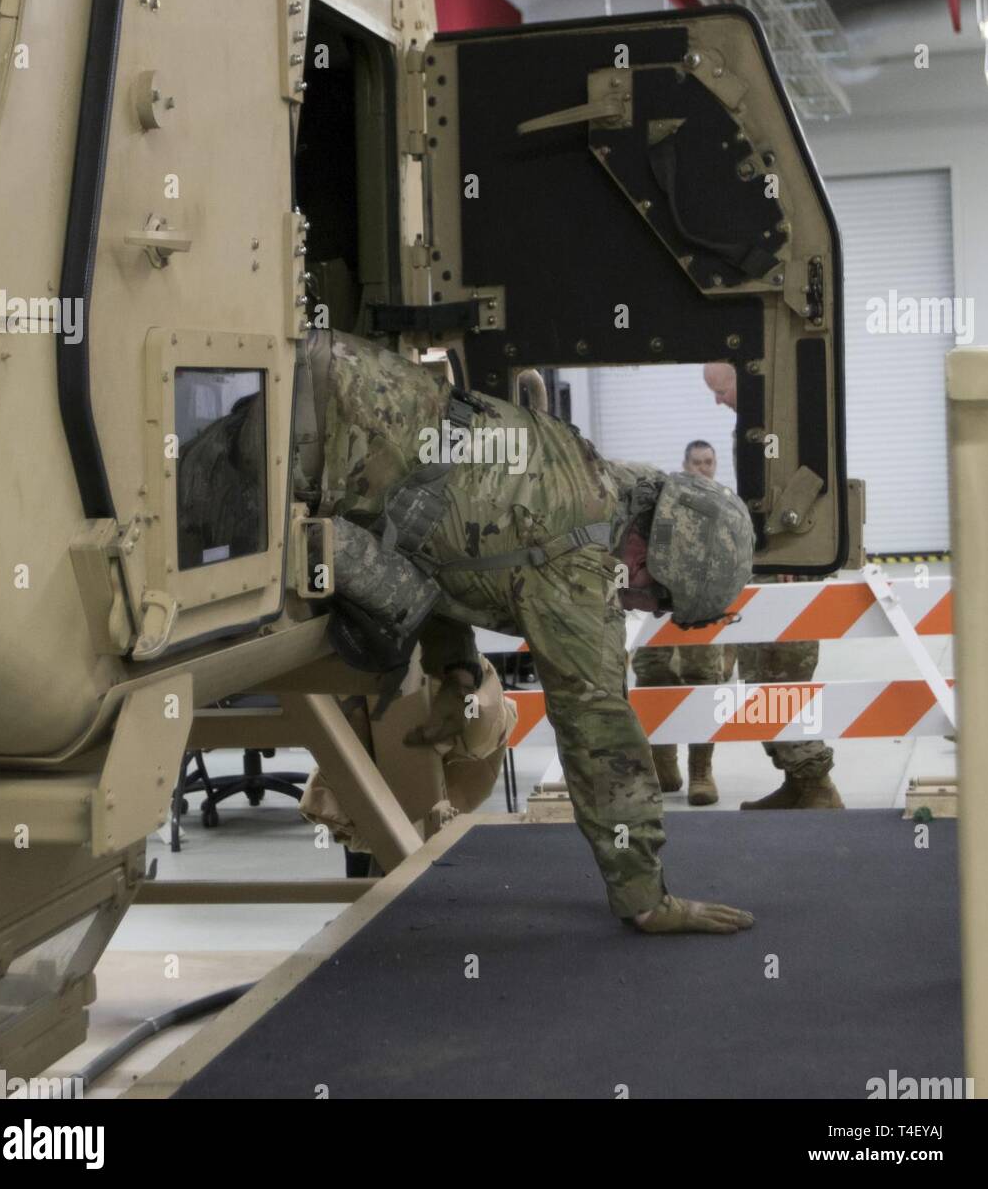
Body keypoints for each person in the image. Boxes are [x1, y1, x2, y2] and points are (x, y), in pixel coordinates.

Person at [293, 330, 758, 934]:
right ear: (649, 557)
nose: (642, 605)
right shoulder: (583, 565)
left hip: (313, 375)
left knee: (399, 598)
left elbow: (450, 547)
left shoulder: (589, 472)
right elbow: (599, 732)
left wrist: (458, 671)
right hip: (303, 443)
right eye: (658, 597)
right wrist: (645, 896)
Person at [702, 362, 843, 809]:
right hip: (766, 564)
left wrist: (788, 548)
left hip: (785, 566)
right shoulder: (754, 424)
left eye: (720, 389)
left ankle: (816, 786)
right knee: (760, 677)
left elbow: (815, 474)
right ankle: (798, 783)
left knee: (779, 677)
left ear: (743, 377)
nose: (717, 400)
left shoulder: (784, 416)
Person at [631, 440, 733, 806]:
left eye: (709, 462)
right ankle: (663, 765)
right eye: (697, 462)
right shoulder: (666, 501)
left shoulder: (727, 506)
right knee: (652, 675)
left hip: (704, 607)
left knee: (703, 680)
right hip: (660, 604)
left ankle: (701, 772)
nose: (704, 468)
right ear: (685, 464)